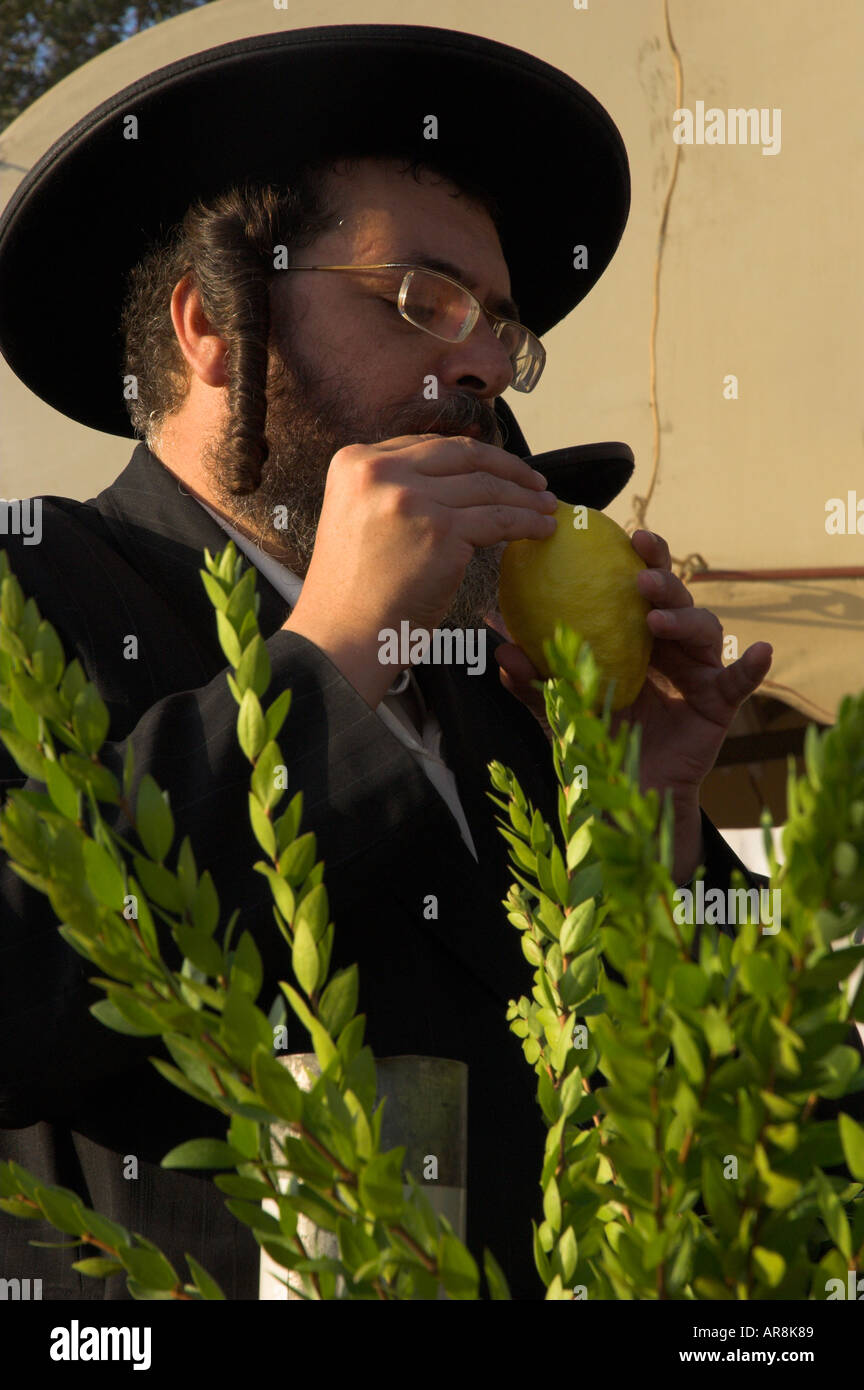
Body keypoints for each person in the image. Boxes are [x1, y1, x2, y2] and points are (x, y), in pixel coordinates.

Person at [0, 26, 773, 1300]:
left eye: (502, 334)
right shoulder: (36, 590)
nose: (482, 365)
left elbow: (767, 1112)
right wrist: (324, 664)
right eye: (421, 300)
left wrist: (650, 826)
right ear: (212, 322)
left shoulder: (500, 690)